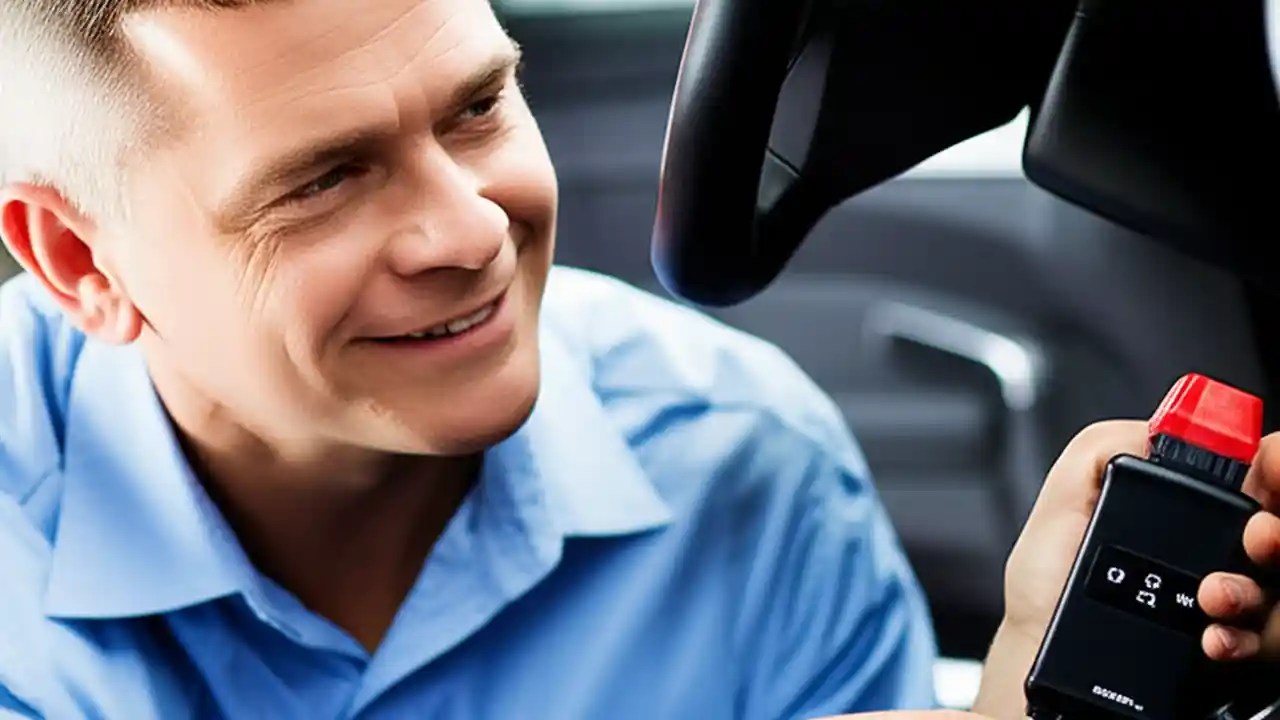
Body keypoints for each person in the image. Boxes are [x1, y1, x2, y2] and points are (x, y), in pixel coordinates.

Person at [0, 1, 1275, 719]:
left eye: (477, 107)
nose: (471, 232)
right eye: (322, 181)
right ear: (78, 262)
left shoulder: (747, 463)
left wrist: (1017, 694)